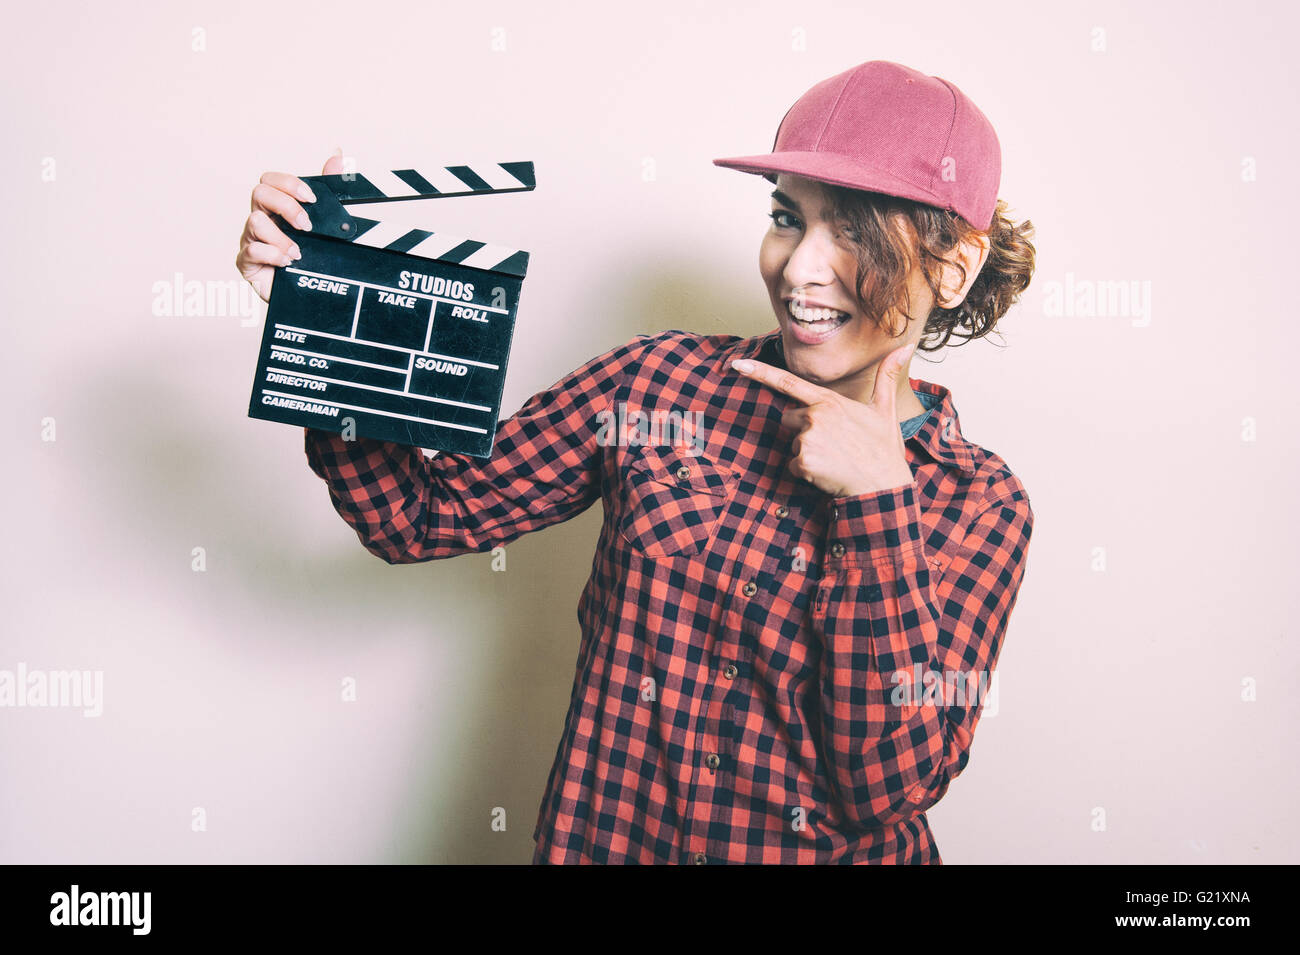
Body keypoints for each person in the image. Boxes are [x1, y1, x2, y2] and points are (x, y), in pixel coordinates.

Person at [235, 59, 1037, 864]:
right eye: (789, 218)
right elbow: (421, 515)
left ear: (954, 267)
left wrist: (876, 505)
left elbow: (885, 786)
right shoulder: (656, 383)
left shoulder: (983, 504)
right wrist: (335, 316)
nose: (798, 269)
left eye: (856, 230)